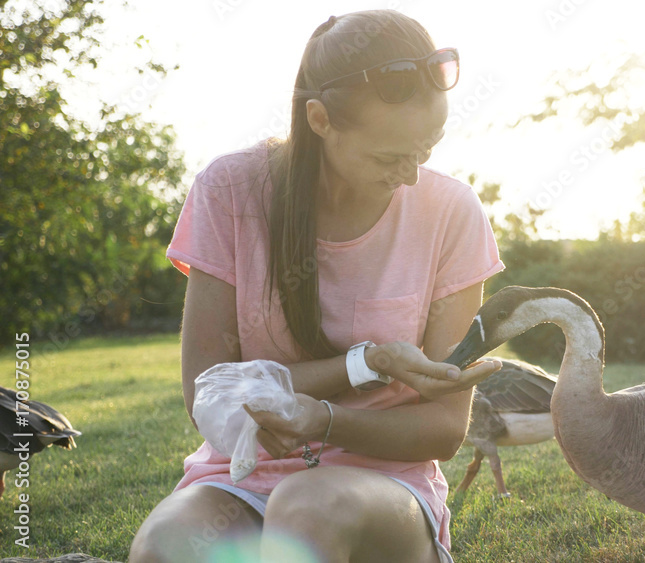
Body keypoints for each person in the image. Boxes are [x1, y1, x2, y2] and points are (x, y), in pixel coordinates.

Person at [129, 10, 505, 563]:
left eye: (426, 148)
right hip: (241, 477)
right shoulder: (230, 190)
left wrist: (322, 420)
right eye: (389, 156)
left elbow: (444, 428)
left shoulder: (451, 212)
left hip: (383, 488)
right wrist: (369, 362)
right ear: (320, 119)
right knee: (164, 548)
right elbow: (208, 391)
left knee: (305, 512)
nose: (411, 175)